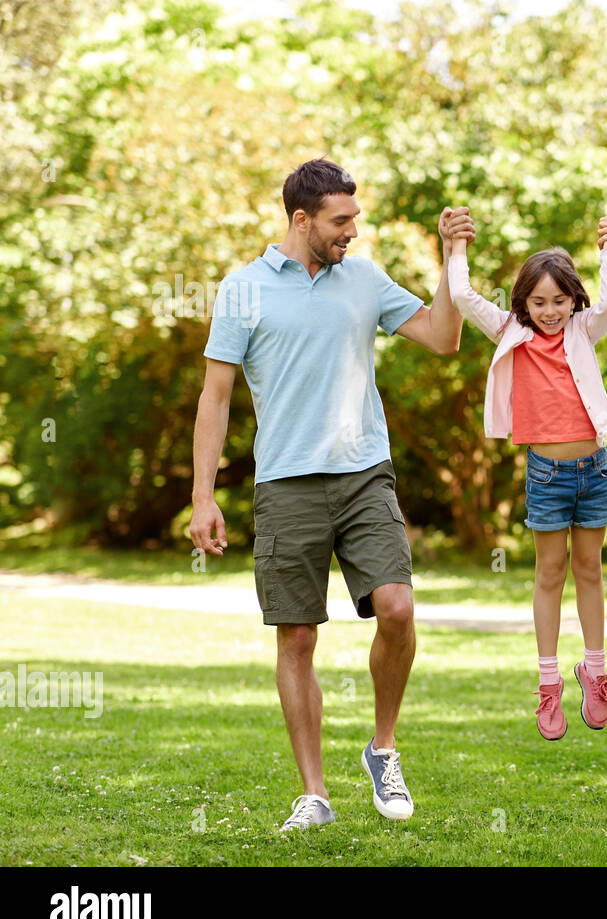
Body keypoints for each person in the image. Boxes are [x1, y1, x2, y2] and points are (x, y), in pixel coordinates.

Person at [188, 157, 475, 831]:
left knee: (397, 607)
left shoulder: (365, 280)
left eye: (354, 218)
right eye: (340, 220)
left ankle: (383, 746)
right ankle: (314, 794)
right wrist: (204, 495)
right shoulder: (243, 291)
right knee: (296, 636)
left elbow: (442, 337)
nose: (352, 230)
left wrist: (451, 259)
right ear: (301, 219)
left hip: (363, 473)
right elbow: (215, 395)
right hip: (285, 481)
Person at [447, 212, 607, 740]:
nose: (550, 312)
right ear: (522, 303)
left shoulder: (583, 328)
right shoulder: (509, 332)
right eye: (539, 302)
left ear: (574, 299)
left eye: (559, 300)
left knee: (590, 571)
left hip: (593, 468)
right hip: (547, 474)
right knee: (551, 574)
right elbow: (462, 297)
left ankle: (595, 671)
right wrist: (456, 244)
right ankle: (549, 684)